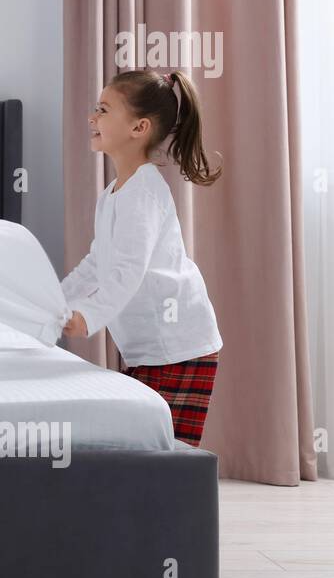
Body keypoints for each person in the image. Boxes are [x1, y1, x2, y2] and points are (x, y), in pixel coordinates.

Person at [61, 69, 223, 446]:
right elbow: (97, 263)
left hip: (178, 346)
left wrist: (89, 316)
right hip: (148, 348)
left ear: (139, 127)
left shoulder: (144, 193)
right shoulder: (114, 193)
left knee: (164, 452)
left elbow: (127, 270)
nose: (92, 117)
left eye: (103, 110)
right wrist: (58, 300)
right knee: (142, 450)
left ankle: (179, 507)